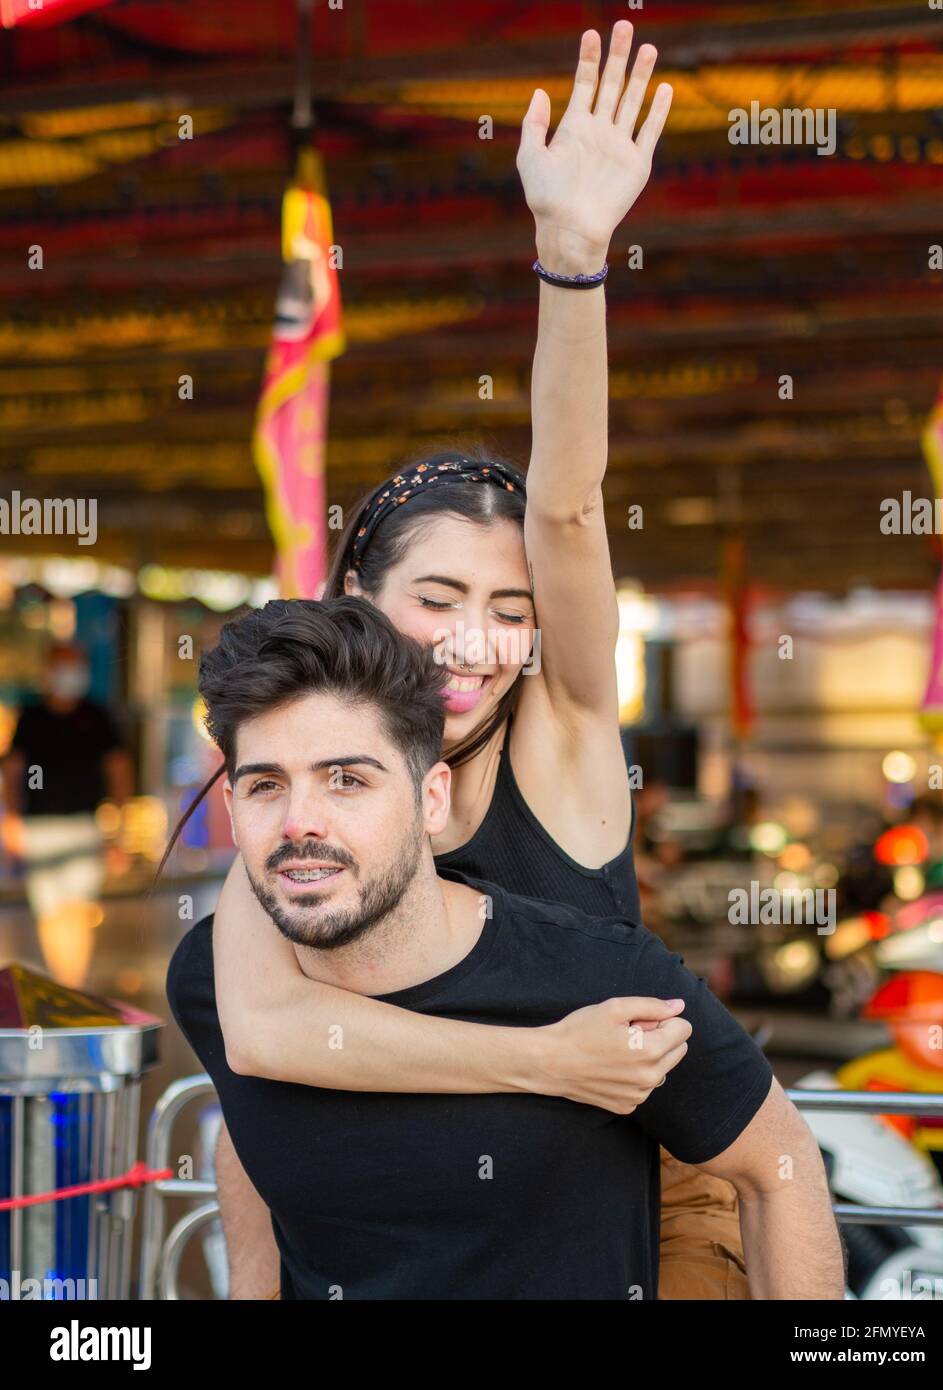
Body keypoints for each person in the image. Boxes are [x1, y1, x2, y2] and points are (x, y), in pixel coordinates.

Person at [165, 21, 750, 1299]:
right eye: (436, 598)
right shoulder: (309, 771)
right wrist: (547, 1058)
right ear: (356, 600)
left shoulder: (566, 728)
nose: (477, 641)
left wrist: (573, 261)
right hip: (405, 1219)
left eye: (512, 607)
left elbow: (571, 509)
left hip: (634, 1209)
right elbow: (264, 1040)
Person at [166, 598, 845, 1300]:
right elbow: (252, 1137)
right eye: (265, 786)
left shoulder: (601, 979)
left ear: (432, 800)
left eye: (348, 780)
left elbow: (779, 1163)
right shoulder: (209, 977)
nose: (299, 821)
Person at [2, 641, 133, 986]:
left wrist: (118, 830)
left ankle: (71, 985)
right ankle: (65, 984)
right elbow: (14, 772)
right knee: (50, 912)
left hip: (83, 826)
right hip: (39, 828)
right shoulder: (31, 717)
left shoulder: (96, 716)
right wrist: (12, 820)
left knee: (76, 909)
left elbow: (118, 771)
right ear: (47, 672)